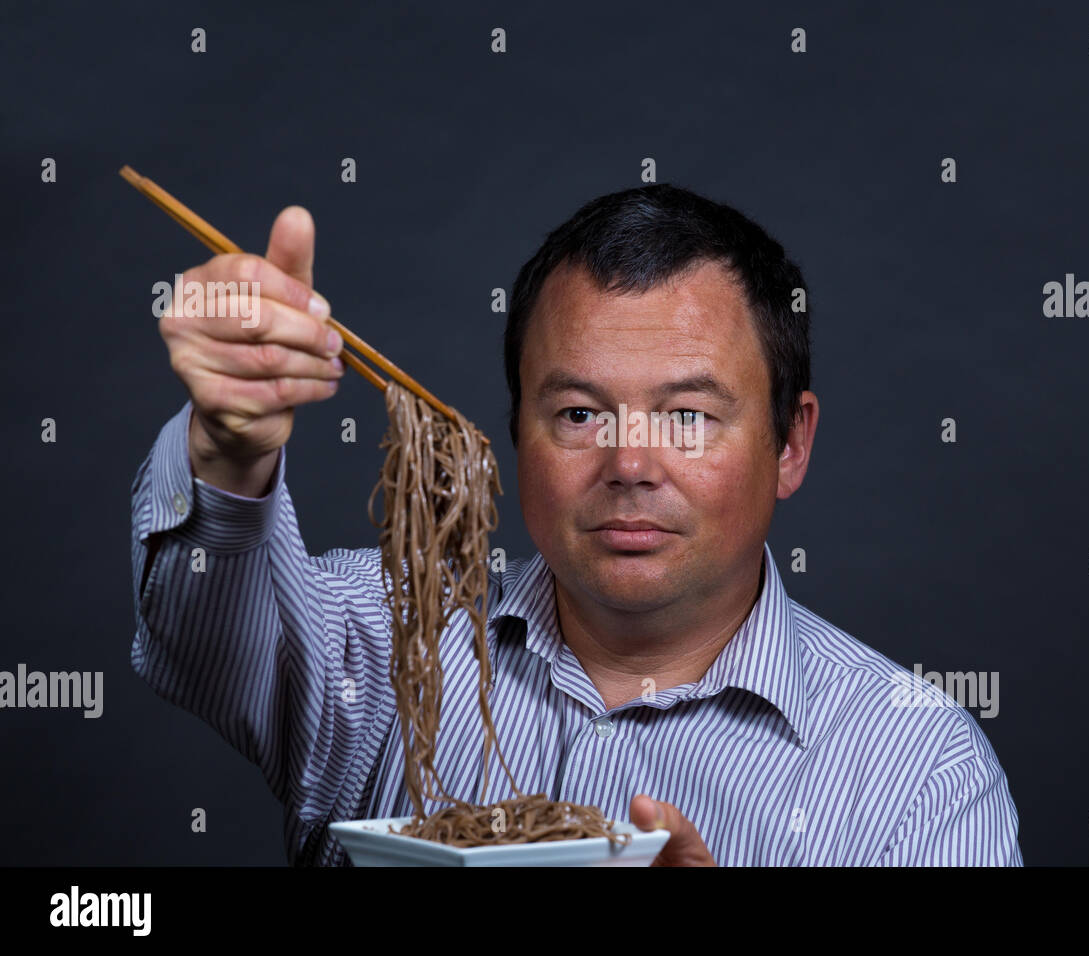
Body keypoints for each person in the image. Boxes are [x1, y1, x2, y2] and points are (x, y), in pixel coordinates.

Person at [130, 183, 1023, 866]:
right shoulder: (384, 639)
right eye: (579, 415)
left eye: (688, 418)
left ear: (791, 444)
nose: (630, 465)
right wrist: (228, 441)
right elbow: (204, 623)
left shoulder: (915, 771)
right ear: (516, 432)